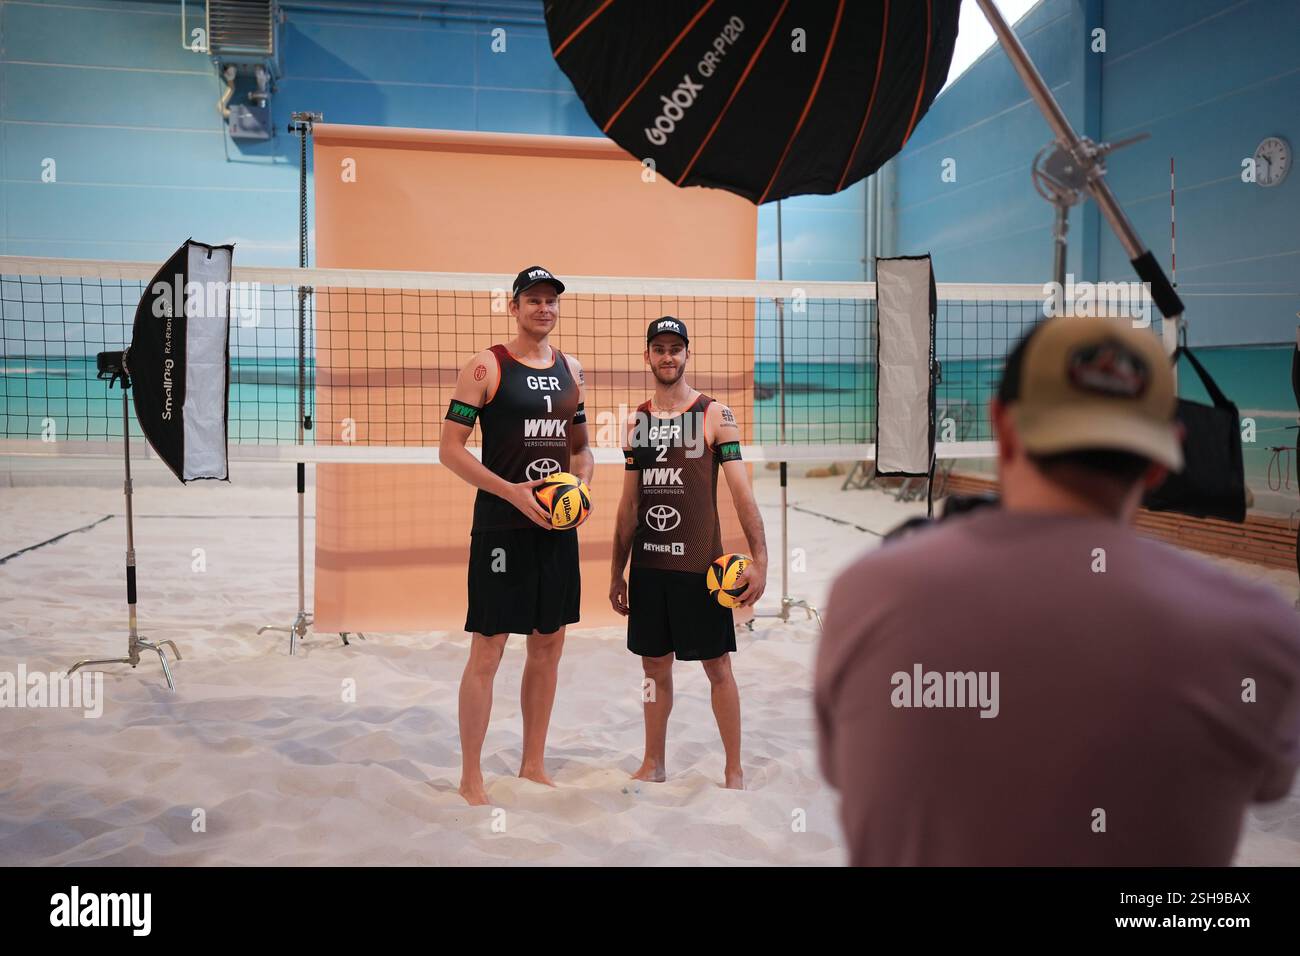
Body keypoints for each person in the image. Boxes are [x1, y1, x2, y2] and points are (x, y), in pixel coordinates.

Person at [816, 315, 1300, 865]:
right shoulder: (1256, 630)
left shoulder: (867, 594)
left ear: (1003, 427)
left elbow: (841, 770)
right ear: (1167, 456)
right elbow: (1269, 781)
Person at [440, 266, 593, 806]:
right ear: (514, 306)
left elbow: (581, 451)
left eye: (551, 300)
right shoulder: (486, 366)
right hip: (501, 528)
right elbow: (451, 450)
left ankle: (533, 763)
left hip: (555, 529)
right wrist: (512, 491)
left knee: (548, 642)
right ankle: (471, 777)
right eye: (533, 299)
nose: (543, 308)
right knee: (489, 648)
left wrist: (582, 491)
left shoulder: (572, 369)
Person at [610, 316, 768, 790]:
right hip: (650, 569)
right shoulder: (637, 420)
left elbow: (742, 493)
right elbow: (629, 503)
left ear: (686, 354)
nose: (667, 356)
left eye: (675, 348)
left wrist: (760, 561)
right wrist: (617, 573)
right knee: (652, 668)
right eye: (659, 348)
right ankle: (653, 762)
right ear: (647, 357)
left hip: (701, 568)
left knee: (718, 667)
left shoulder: (714, 415)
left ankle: (733, 770)